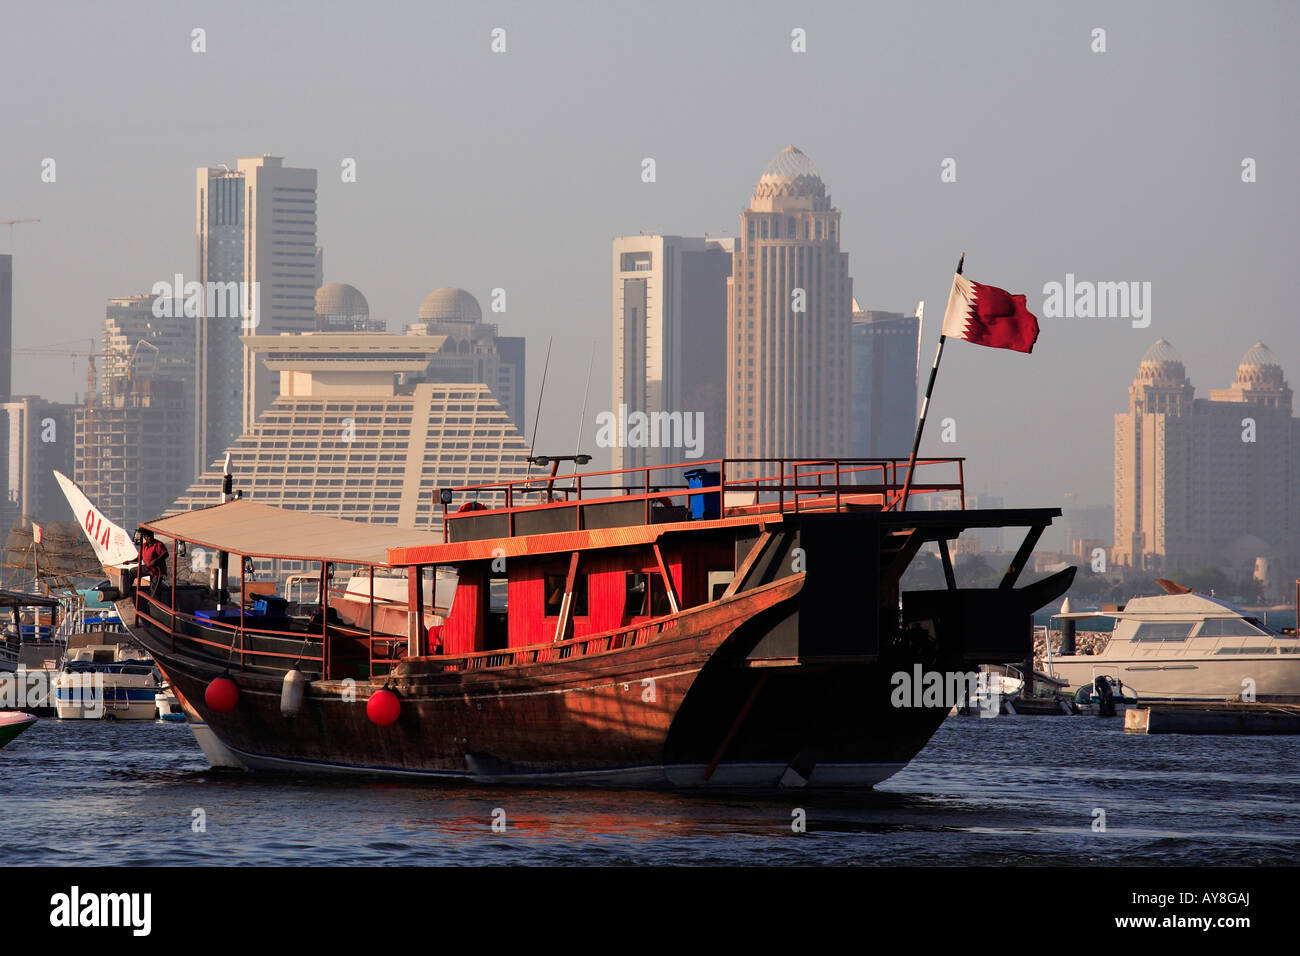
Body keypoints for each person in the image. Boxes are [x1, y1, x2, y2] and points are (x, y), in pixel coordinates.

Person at [139, 531, 168, 597]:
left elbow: (165, 554)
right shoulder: (144, 545)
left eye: (151, 536)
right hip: (148, 568)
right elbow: (139, 557)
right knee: (132, 571)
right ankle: (127, 591)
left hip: (157, 571)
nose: (149, 538)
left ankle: (155, 605)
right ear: (145, 537)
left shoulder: (158, 544)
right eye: (147, 536)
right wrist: (129, 561)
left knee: (154, 590)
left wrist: (155, 561)